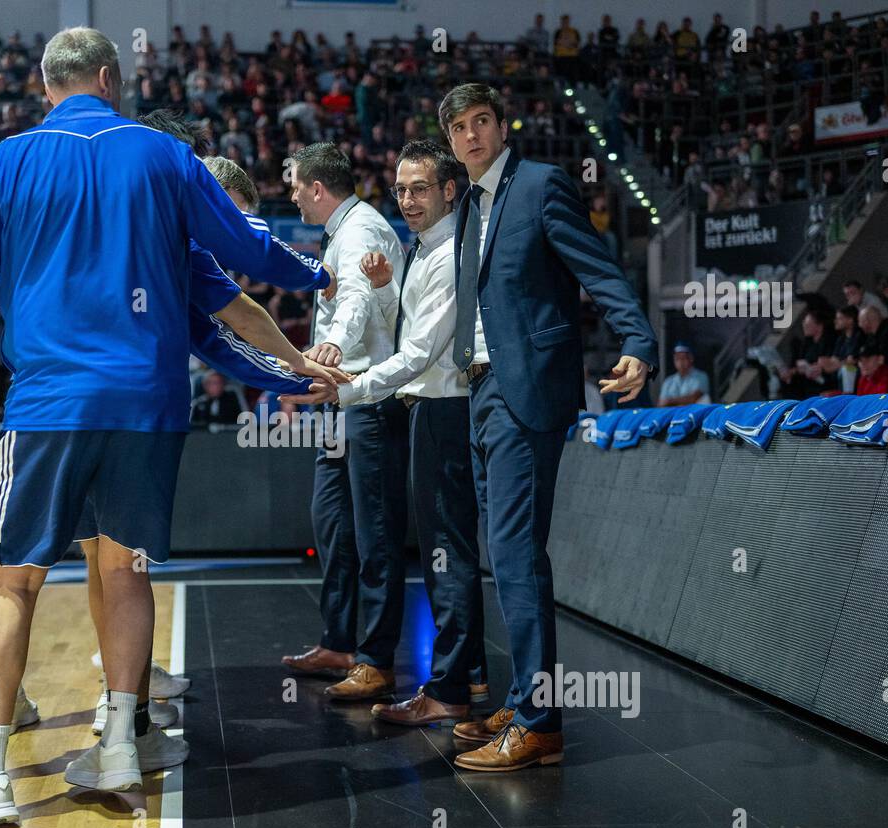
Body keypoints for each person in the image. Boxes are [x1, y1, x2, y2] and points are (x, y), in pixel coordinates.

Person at [0, 26, 338, 828]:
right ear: (111, 80)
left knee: (12, 579)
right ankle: (121, 741)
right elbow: (242, 256)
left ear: (46, 85)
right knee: (124, 572)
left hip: (49, 404)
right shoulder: (162, 157)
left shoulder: (4, 161)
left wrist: (14, 292)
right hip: (149, 407)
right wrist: (318, 271)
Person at [441, 83, 655, 773]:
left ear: (503, 126)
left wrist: (638, 341)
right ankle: (527, 701)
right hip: (478, 389)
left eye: (482, 122)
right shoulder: (468, 204)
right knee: (507, 557)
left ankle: (539, 723)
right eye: (459, 129)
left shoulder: (541, 185)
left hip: (523, 391)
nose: (472, 136)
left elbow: (599, 270)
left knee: (516, 556)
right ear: (450, 143)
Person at [295, 139, 491, 729]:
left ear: (449, 191)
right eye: (402, 188)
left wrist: (343, 377)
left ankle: (428, 675)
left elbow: (410, 347)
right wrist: (383, 289)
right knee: (422, 546)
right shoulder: (415, 245)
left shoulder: (426, 244)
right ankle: (461, 673)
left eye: (420, 188)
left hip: (420, 402)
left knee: (424, 546)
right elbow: (395, 322)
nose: (406, 199)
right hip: (405, 397)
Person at [279, 141, 408, 702]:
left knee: (374, 534)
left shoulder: (360, 231)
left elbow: (354, 299)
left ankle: (377, 659)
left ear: (315, 188)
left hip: (370, 400)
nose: (290, 195)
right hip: (341, 405)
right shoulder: (343, 230)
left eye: (293, 185)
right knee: (332, 524)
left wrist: (330, 346)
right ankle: (338, 641)